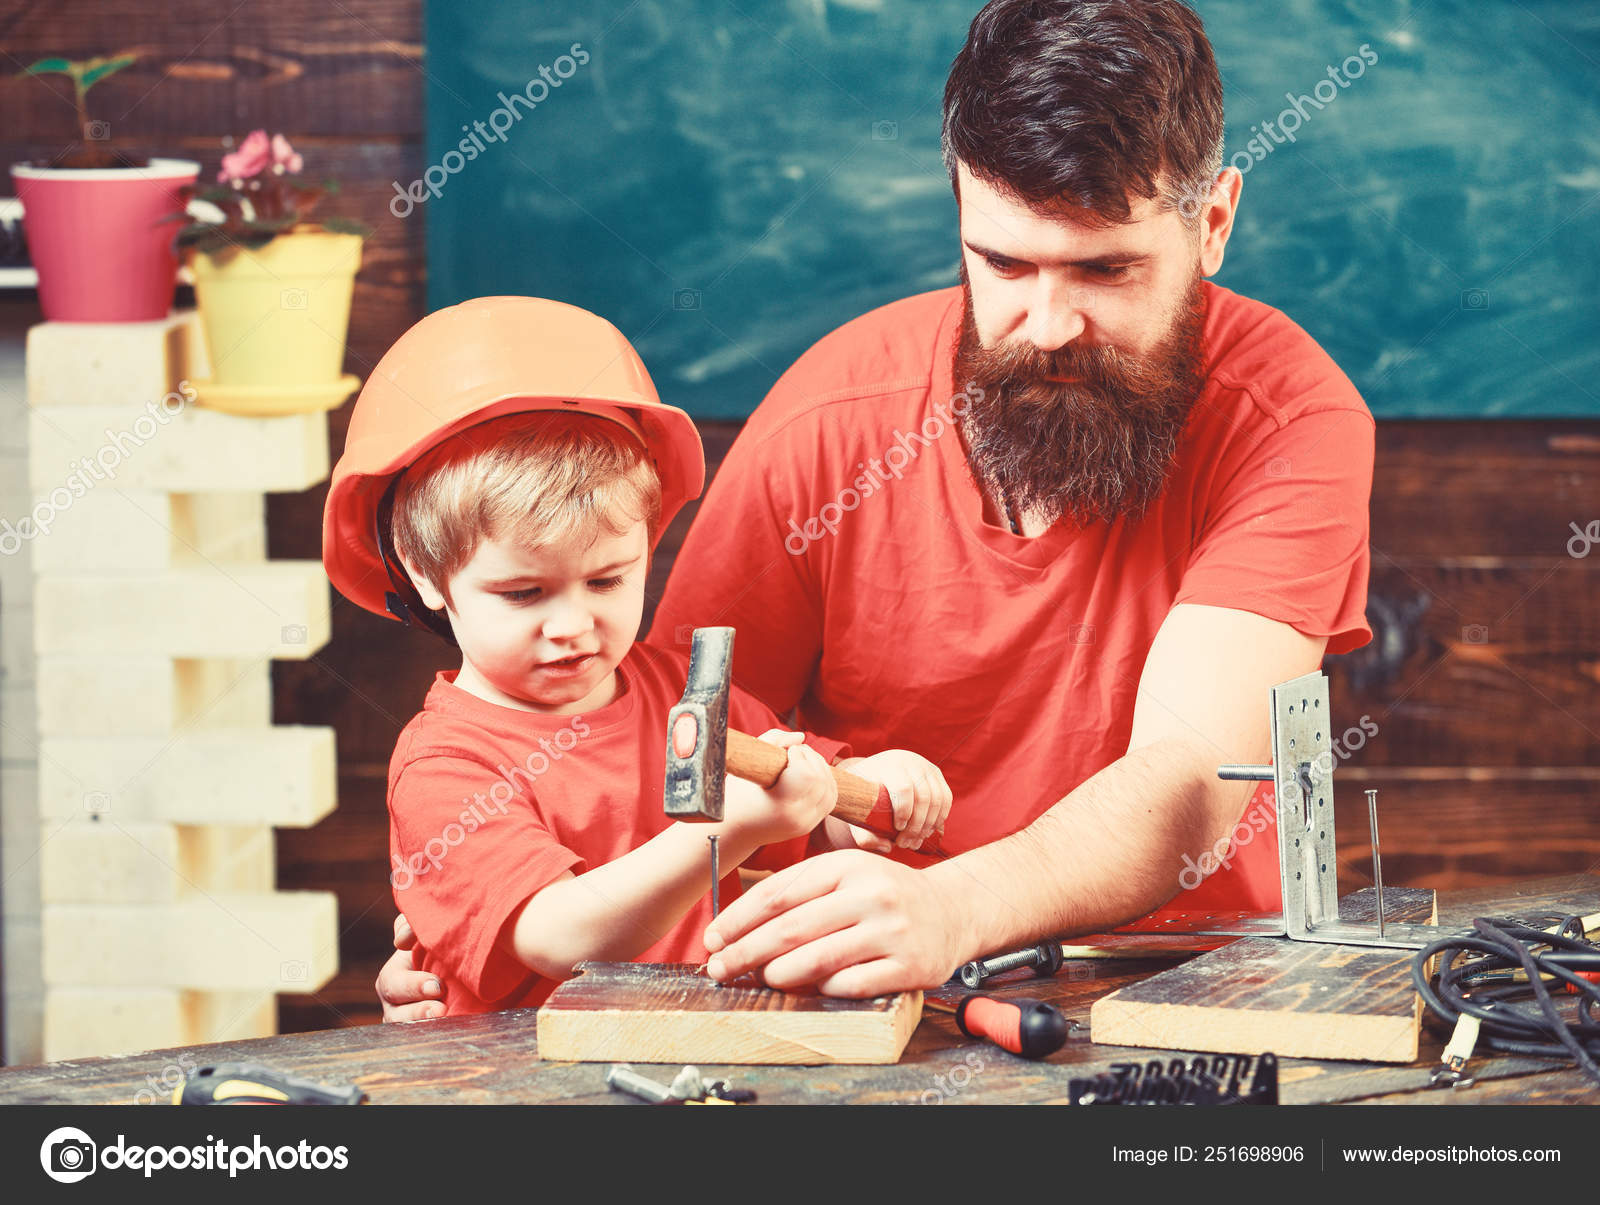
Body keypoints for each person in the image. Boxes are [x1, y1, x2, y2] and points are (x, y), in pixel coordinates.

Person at [377, 0, 1373, 1018]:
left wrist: (947, 906)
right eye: (1003, 263)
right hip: (881, 1018)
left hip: (1179, 1003)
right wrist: (477, 942)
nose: (1047, 324)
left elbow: (1191, 782)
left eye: (1105, 268)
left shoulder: (1290, 418)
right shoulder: (828, 418)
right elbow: (662, 757)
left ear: (1211, 223)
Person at [322, 297, 951, 1014]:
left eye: (607, 579)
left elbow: (802, 805)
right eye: (524, 592)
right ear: (426, 572)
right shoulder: (444, 769)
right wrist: (728, 827)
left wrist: (863, 795)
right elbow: (561, 936)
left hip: (687, 1062)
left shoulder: (678, 695)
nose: (572, 625)